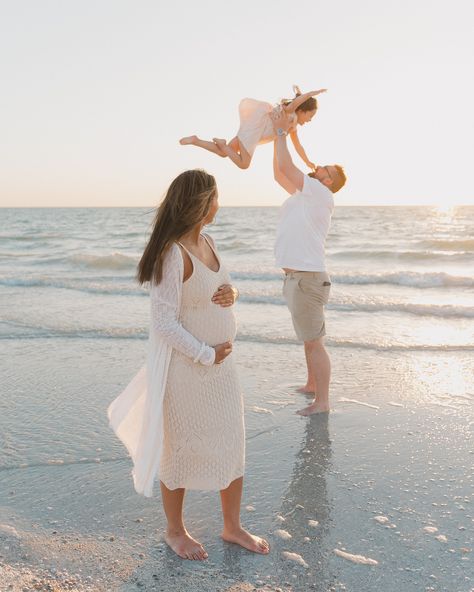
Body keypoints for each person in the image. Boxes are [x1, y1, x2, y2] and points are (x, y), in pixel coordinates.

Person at [107, 169, 269, 560]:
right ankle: (175, 531)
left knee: (232, 443)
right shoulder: (172, 253)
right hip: (187, 371)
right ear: (201, 203)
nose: (219, 204)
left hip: (221, 371)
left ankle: (232, 527)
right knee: (179, 449)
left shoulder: (209, 242)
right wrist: (205, 353)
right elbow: (163, 322)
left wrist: (233, 292)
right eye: (216, 197)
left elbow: (212, 290)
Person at [271, 108, 347, 415]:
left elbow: (288, 166)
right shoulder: (306, 194)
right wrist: (279, 138)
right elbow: (280, 172)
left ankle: (323, 402)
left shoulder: (318, 192)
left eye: (324, 171)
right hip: (298, 278)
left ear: (328, 183)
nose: (318, 170)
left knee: (315, 342)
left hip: (307, 278)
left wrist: (279, 132)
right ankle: (312, 385)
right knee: (309, 338)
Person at [179, 86, 326, 170]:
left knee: (224, 153)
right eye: (310, 116)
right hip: (254, 131)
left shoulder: (292, 128)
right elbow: (296, 103)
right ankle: (222, 144)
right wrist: (312, 94)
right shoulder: (289, 113)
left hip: (251, 132)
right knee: (244, 164)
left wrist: (307, 161)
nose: (310, 120)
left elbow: (298, 146)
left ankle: (195, 140)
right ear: (302, 110)